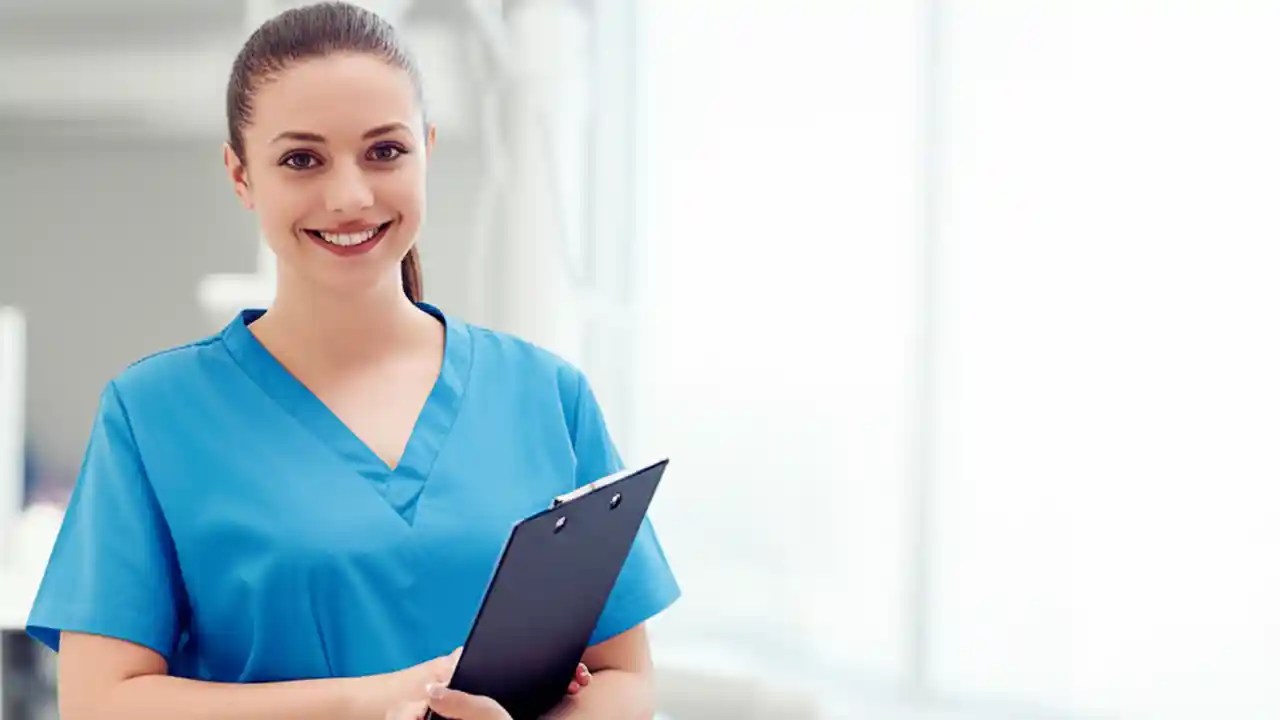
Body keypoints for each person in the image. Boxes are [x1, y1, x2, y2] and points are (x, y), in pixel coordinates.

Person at [25, 3, 679, 719]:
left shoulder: (546, 396)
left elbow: (624, 678)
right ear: (241, 175)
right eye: (301, 159)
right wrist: (382, 699)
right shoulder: (153, 415)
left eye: (385, 152)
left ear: (427, 149)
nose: (349, 196)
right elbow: (99, 702)